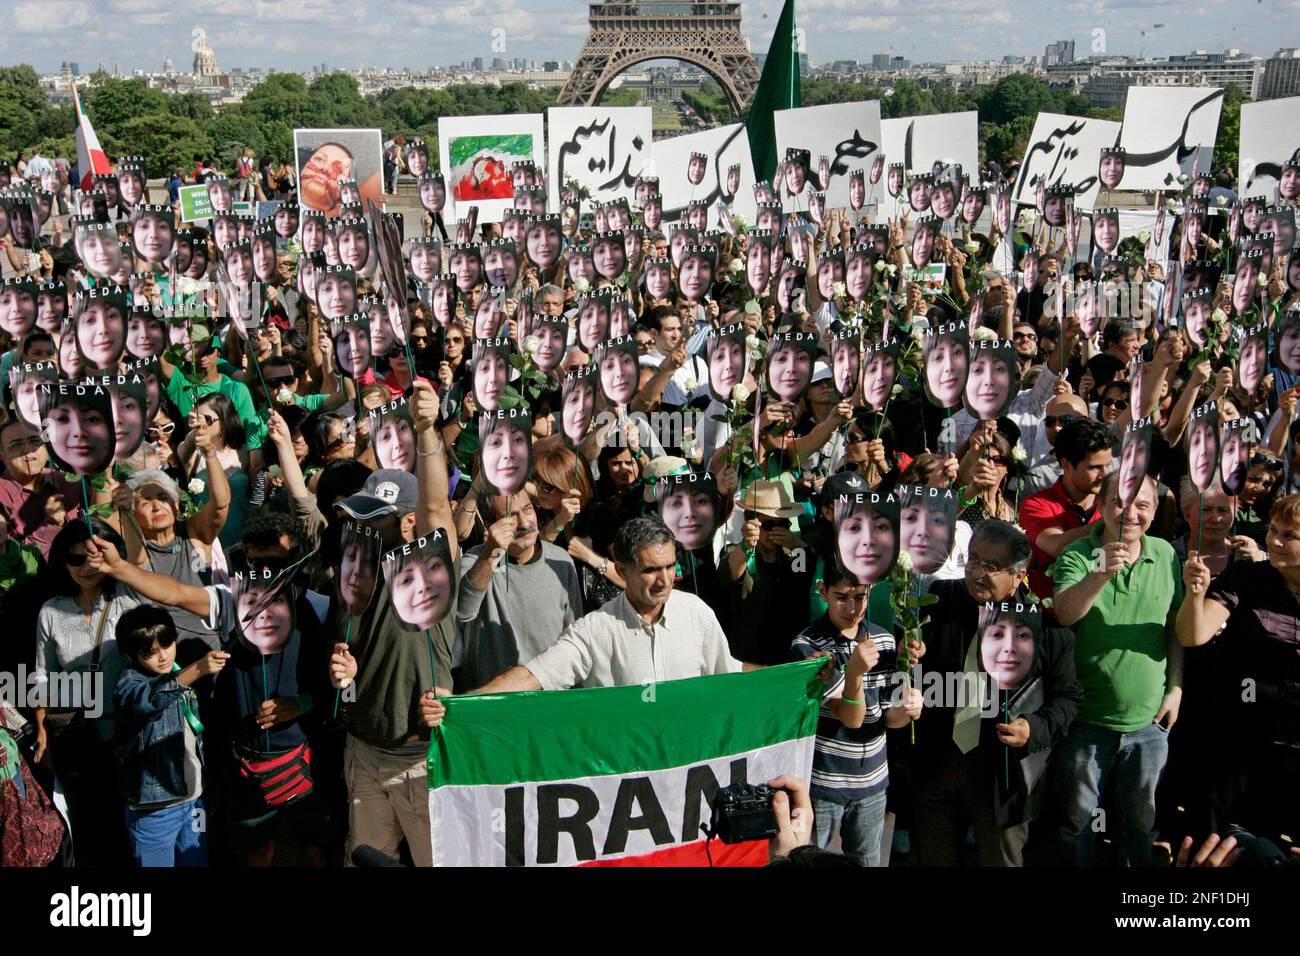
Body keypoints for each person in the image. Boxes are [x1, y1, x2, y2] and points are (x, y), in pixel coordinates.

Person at [915, 520, 1082, 866]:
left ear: (1019, 575)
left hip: (1001, 776)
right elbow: (913, 672)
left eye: (990, 566)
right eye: (973, 559)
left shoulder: (1044, 627)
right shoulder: (939, 602)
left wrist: (1033, 728)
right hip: (938, 765)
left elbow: (1068, 698)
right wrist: (910, 658)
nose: (976, 572)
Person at [1051, 473, 1184, 866]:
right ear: (1103, 505)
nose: (1130, 513)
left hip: (1149, 725)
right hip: (1086, 723)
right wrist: (1101, 573)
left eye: (1142, 504)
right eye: (1120, 502)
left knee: (1140, 826)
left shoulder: (1166, 554)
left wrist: (1176, 688)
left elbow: (1174, 629)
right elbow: (1064, 613)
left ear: (1155, 511)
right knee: (1077, 825)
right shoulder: (1078, 554)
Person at [449, 517, 741, 695]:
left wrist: (786, 679)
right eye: (651, 570)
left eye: (670, 567)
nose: (664, 580)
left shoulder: (697, 614)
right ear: (623, 571)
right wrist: (462, 706)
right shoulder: (594, 630)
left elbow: (730, 680)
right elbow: (533, 675)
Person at [791, 562, 921, 867]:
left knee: (867, 861)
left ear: (871, 591)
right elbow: (852, 718)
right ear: (822, 592)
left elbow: (890, 719)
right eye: (842, 597)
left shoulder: (886, 641)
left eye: (860, 597)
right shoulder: (808, 646)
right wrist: (855, 673)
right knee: (809, 861)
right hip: (823, 784)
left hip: (873, 783)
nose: (852, 607)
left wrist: (910, 708)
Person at [114, 605, 225, 867]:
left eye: (167, 644)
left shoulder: (177, 670)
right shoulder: (128, 682)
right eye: (150, 652)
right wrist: (196, 670)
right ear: (130, 653)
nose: (162, 656)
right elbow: (147, 701)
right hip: (155, 811)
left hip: (195, 801)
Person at [452, 489, 583, 692]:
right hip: (491, 698)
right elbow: (463, 610)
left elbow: (573, 634)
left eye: (528, 510)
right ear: (489, 525)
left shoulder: (561, 562)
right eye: (510, 517)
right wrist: (490, 554)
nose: (524, 523)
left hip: (549, 695)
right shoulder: (476, 560)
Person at [1019, 419, 1117, 600]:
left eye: (1108, 464)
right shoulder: (1036, 504)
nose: (1105, 474)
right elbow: (1056, 545)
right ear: (1066, 465)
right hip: (1050, 615)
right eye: (1095, 467)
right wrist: (1112, 521)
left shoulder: (1114, 504)